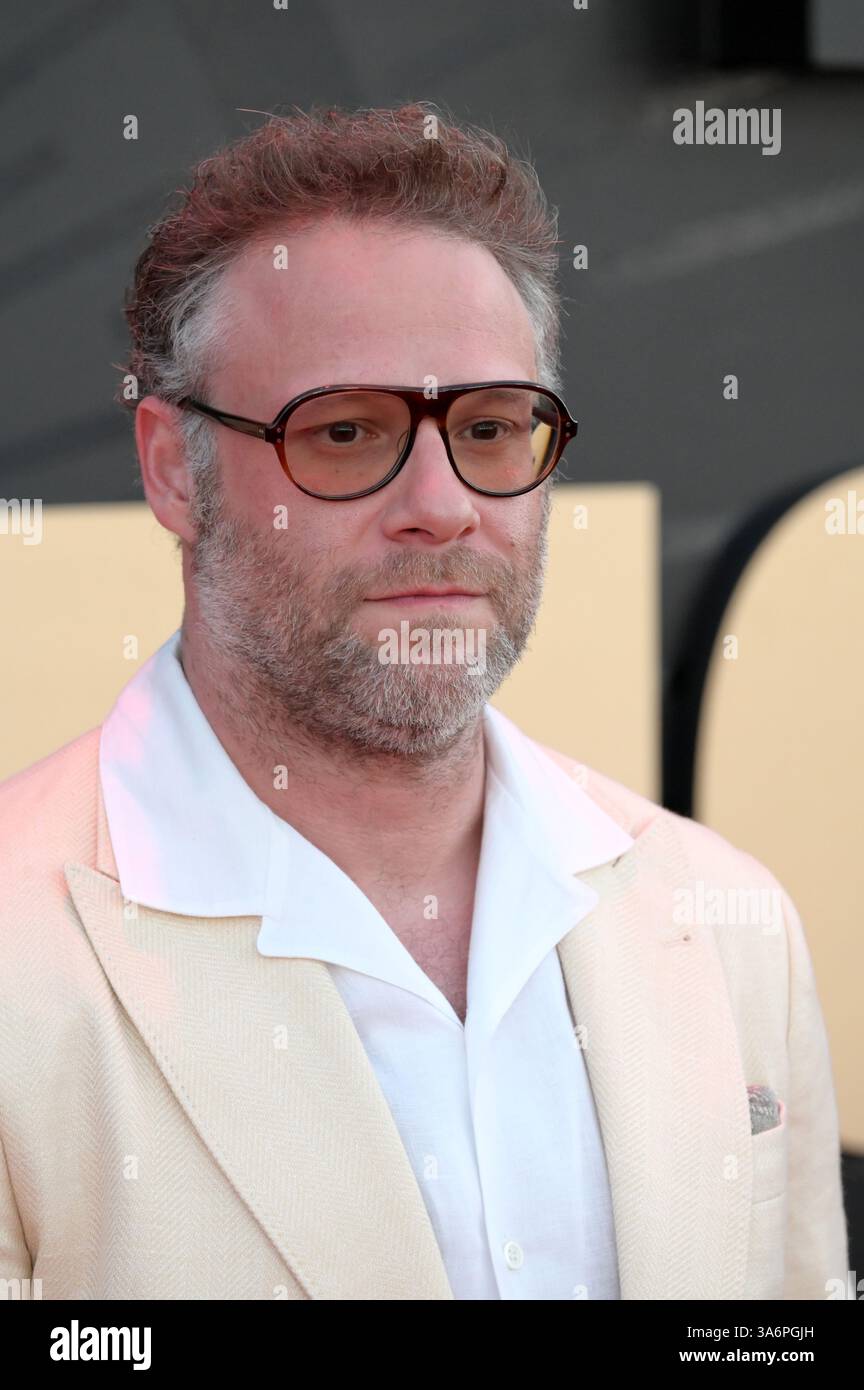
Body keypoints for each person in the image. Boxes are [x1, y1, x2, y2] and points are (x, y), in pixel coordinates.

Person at [0, 103, 847, 1300]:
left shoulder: (727, 926)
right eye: (347, 431)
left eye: (492, 428)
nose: (444, 505)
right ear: (169, 469)